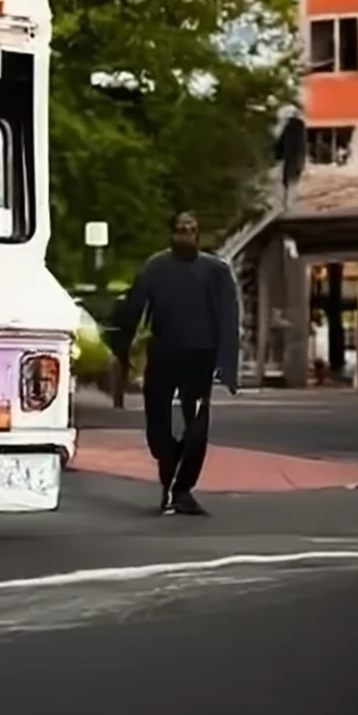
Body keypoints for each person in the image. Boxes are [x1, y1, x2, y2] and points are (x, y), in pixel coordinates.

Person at [110, 211, 241, 516]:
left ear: (198, 234)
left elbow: (228, 319)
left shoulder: (215, 271)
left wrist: (226, 365)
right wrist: (121, 348)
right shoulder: (156, 267)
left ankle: (180, 489)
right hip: (164, 352)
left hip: (200, 356)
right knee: (157, 425)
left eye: (191, 230)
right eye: (180, 230)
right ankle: (170, 467)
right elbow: (133, 308)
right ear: (172, 234)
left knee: (196, 426)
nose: (186, 235)